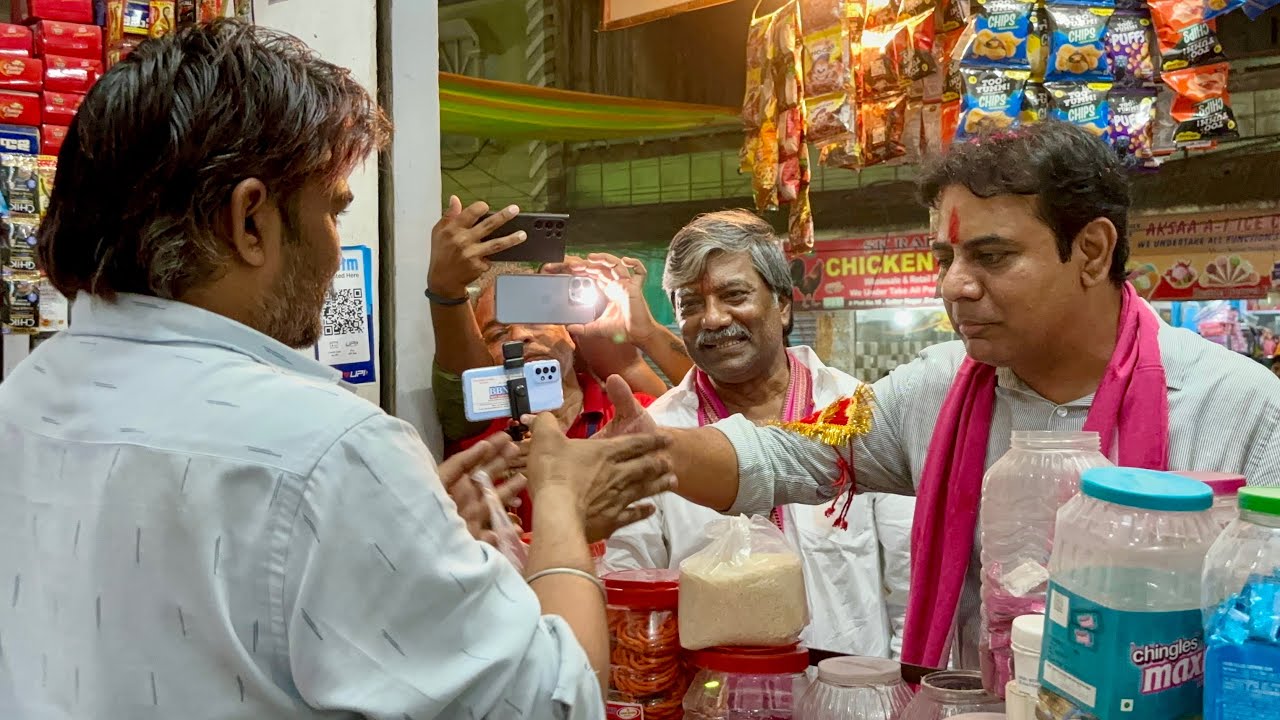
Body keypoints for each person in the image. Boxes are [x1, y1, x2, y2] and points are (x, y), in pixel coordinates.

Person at [0, 21, 674, 719]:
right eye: (332, 212)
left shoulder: (24, 397)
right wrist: (561, 498)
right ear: (250, 221)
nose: (334, 250)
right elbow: (554, 701)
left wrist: (413, 539)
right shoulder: (326, 451)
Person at [595, 120, 1280, 671]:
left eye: (991, 256)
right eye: (944, 259)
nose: (954, 285)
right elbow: (792, 451)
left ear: (1093, 251)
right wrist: (652, 451)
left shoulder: (1239, 408)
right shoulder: (927, 387)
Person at [598, 210, 914, 658]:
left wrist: (901, 690)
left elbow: (910, 575)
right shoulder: (659, 431)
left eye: (734, 295)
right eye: (690, 304)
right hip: (709, 698)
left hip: (842, 695)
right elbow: (630, 582)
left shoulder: (855, 410)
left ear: (782, 304)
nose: (712, 318)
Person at [428, 199, 694, 530]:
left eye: (537, 318)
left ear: (570, 332)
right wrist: (446, 287)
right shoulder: (481, 429)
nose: (521, 334)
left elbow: (714, 412)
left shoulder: (626, 409)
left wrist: (646, 332)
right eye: (497, 333)